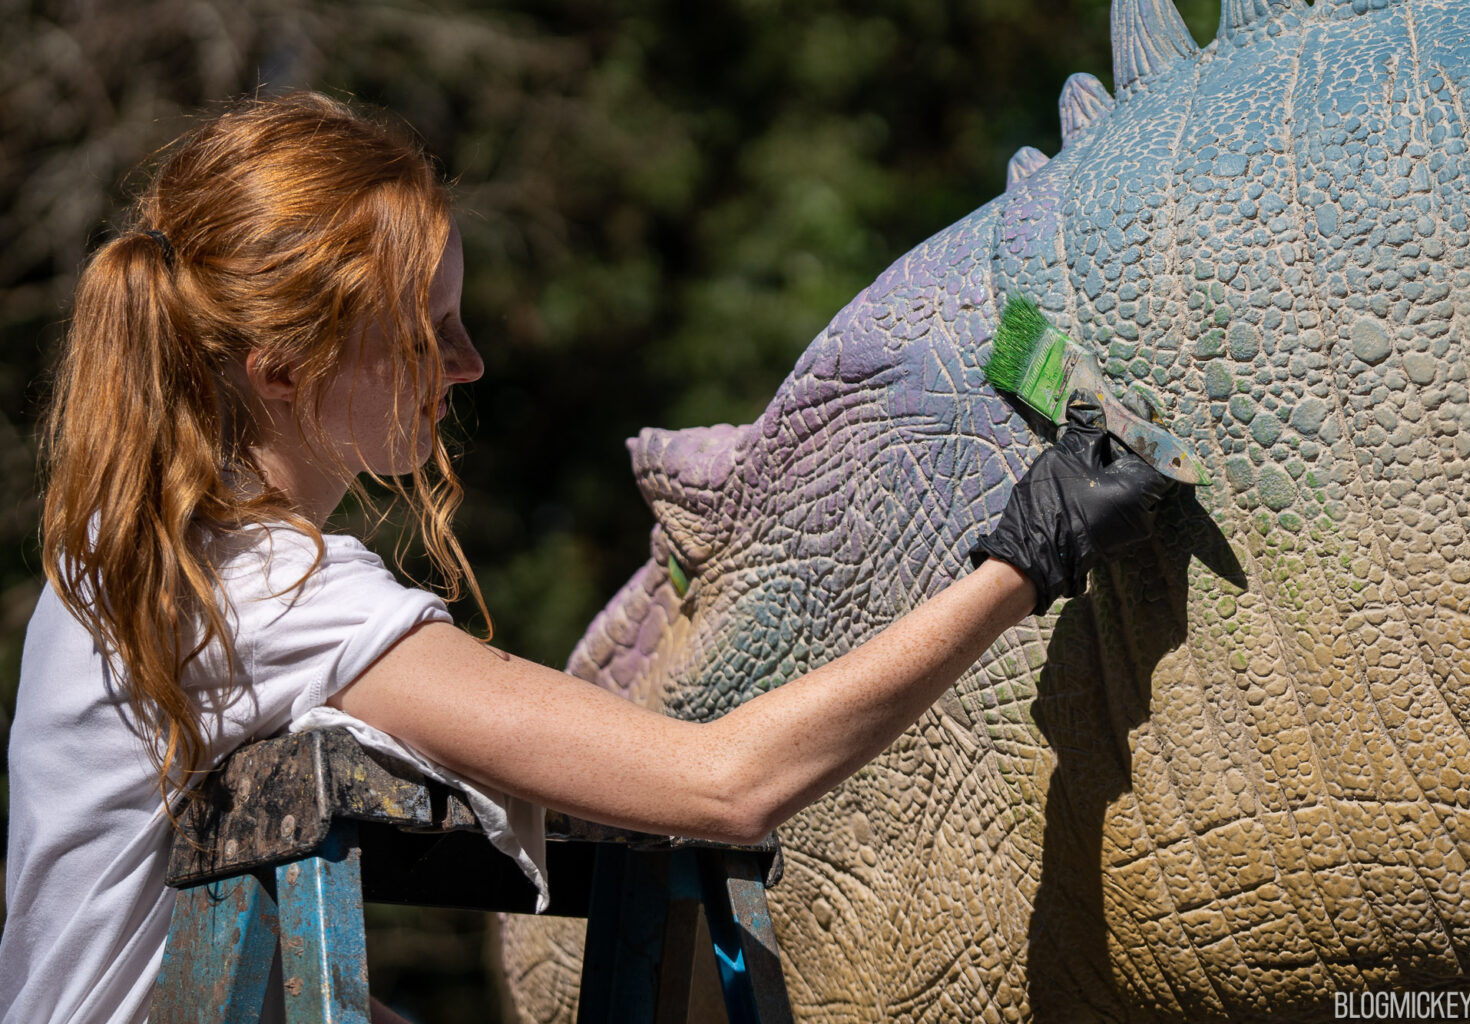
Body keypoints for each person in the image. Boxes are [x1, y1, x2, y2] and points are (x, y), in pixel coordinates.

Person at [0, 92, 1172, 1024]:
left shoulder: (123, 547)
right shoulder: (267, 591)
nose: (466, 365)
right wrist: (1027, 557)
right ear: (282, 368)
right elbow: (722, 783)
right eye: (425, 332)